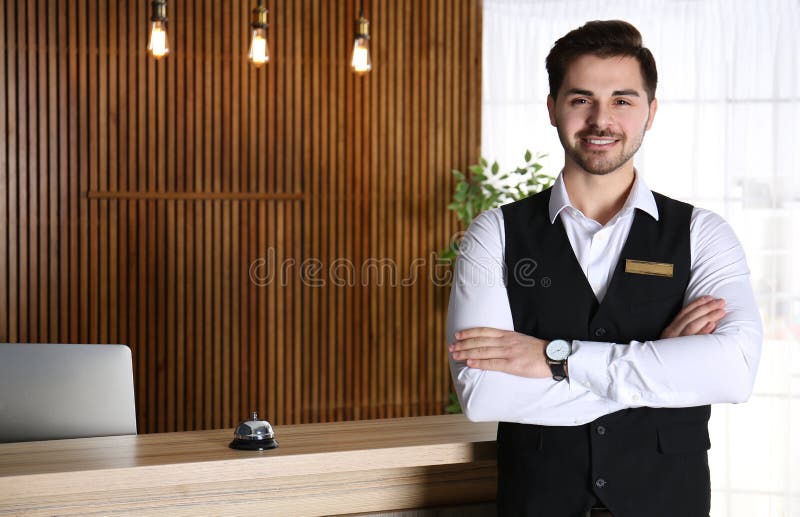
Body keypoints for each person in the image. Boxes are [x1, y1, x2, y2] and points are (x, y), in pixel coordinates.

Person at [446, 20, 762, 517]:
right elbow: (484, 394)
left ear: (650, 112)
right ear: (552, 108)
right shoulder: (495, 233)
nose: (601, 120)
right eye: (580, 99)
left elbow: (733, 372)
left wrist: (556, 358)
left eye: (622, 100)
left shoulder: (704, 233)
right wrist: (662, 364)